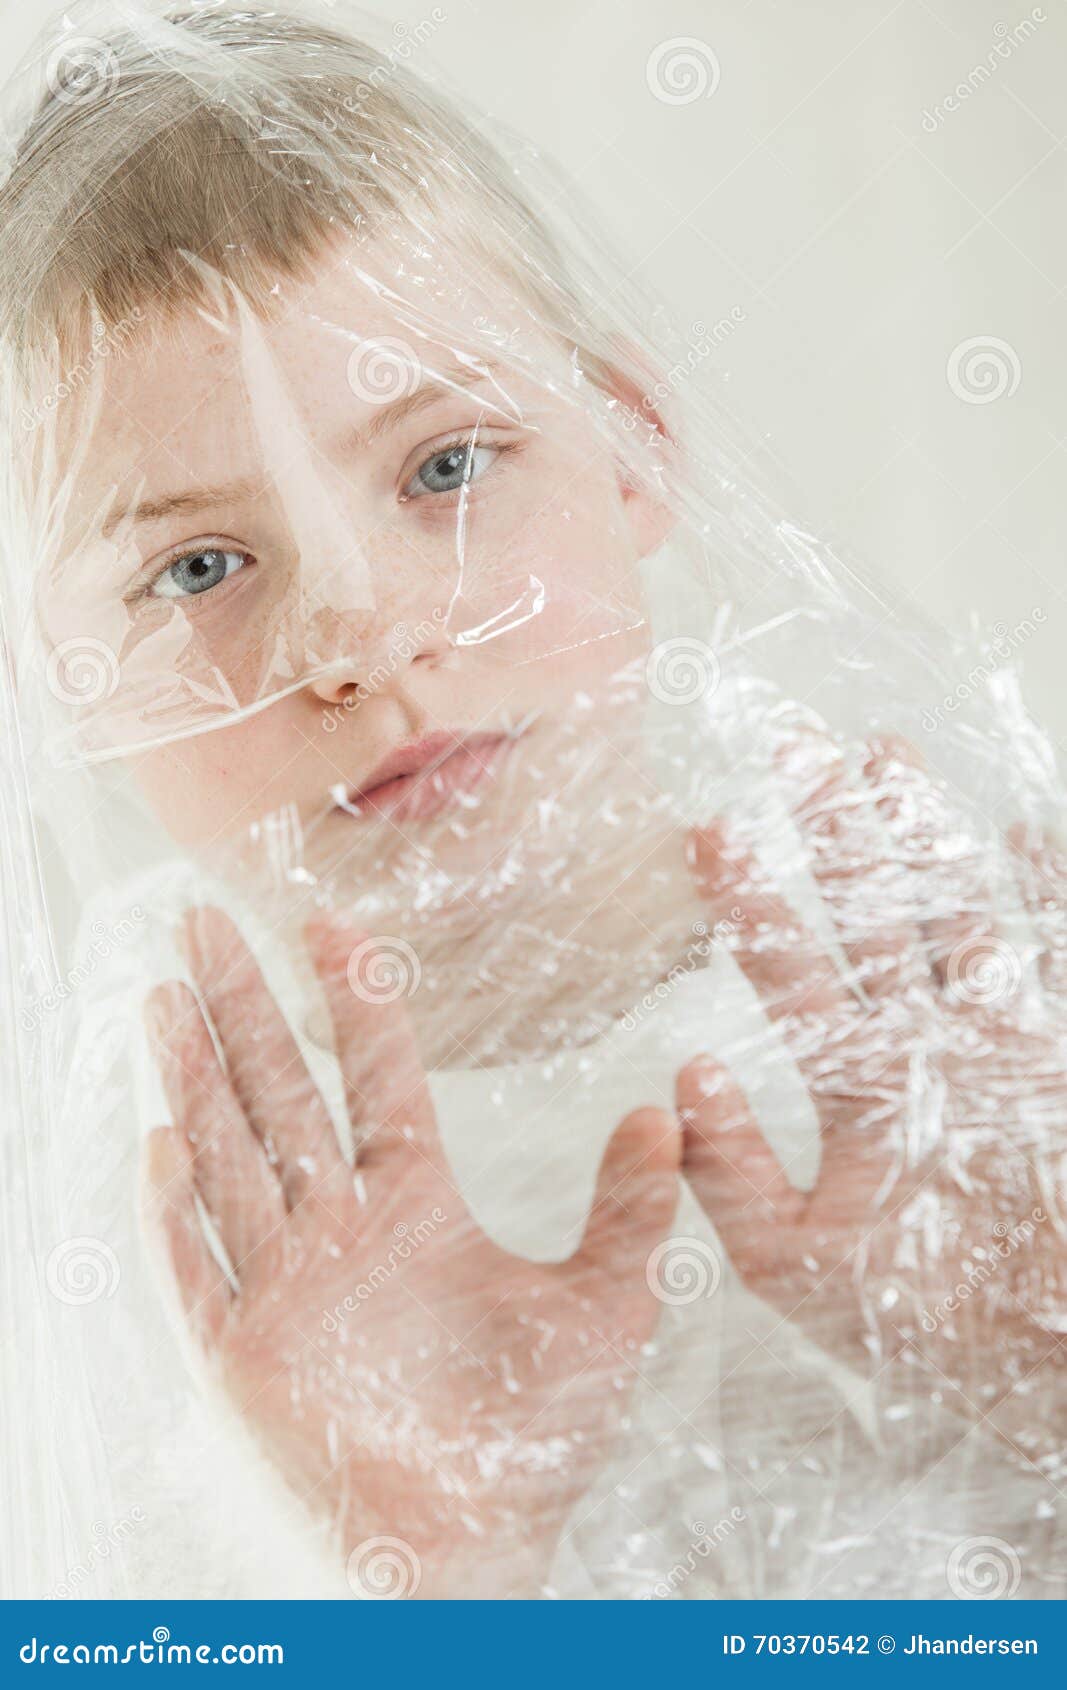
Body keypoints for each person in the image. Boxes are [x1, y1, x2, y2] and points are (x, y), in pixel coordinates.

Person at [0, 0, 1062, 1598]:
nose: (359, 636)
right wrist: (416, 1569)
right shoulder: (108, 1231)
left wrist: (1037, 1352)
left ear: (631, 442)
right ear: (52, 680)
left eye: (445, 465)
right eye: (198, 567)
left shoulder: (982, 1031)